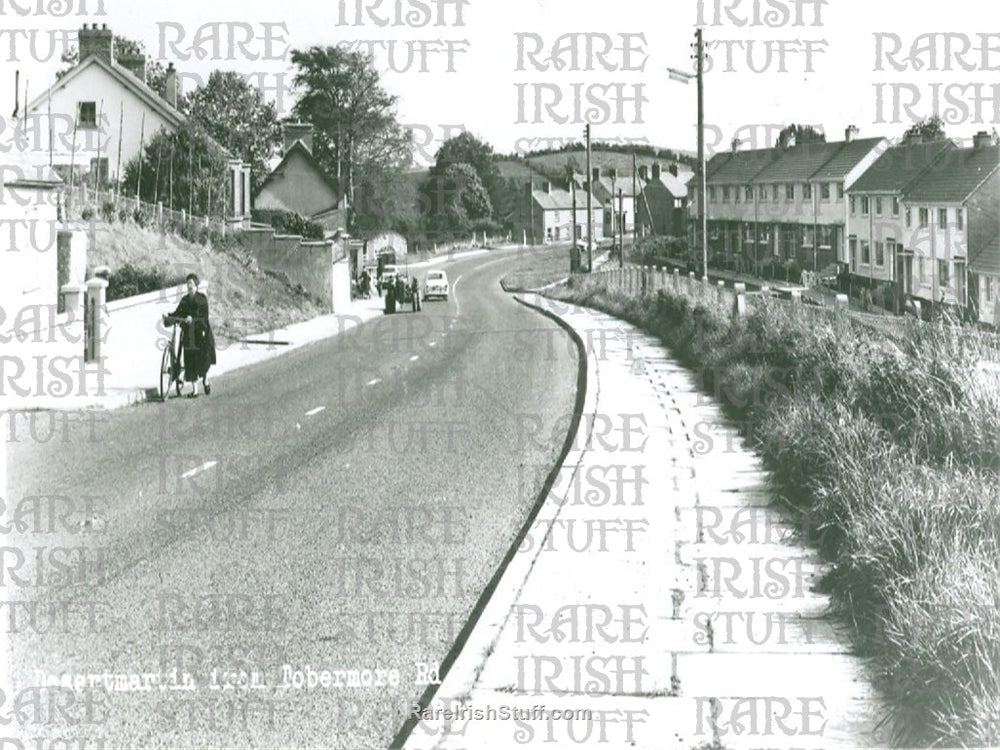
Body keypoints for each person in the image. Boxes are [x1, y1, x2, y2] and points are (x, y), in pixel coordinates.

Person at [164, 273, 216, 397]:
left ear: (196, 285)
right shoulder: (185, 300)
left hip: (201, 334)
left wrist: (193, 319)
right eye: (187, 284)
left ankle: (205, 380)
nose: (189, 286)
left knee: (203, 360)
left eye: (191, 284)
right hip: (189, 335)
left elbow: (204, 317)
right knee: (190, 361)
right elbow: (178, 313)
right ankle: (195, 390)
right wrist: (169, 318)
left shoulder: (202, 299)